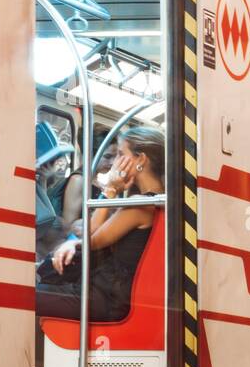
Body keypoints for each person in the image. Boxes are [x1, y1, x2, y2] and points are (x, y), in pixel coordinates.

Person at [36, 126, 165, 323]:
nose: (114, 162)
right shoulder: (155, 200)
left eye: (121, 154)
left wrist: (110, 189)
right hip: (108, 294)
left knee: (24, 297)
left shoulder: (140, 205)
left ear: (141, 160)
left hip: (105, 297)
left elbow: (90, 238)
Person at [62, 137, 118, 239]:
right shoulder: (78, 181)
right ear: (90, 155)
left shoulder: (99, 183)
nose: (112, 162)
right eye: (107, 156)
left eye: (115, 157)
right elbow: (69, 226)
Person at [34, 121, 75, 260]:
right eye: (52, 161)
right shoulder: (31, 186)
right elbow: (45, 218)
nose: (55, 166)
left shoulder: (41, 183)